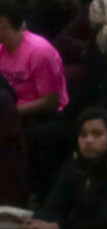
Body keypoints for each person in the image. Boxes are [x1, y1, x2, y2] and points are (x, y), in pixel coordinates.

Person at [0, 0, 69, 201]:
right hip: (10, 113)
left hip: (43, 118)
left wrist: (11, 112)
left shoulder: (39, 51)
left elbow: (51, 101)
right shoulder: (1, 49)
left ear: (3, 22)